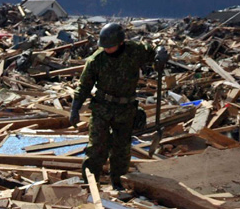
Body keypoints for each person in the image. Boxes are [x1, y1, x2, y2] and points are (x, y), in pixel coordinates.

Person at [70, 22, 167, 189]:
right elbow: (84, 85)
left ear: (120, 42)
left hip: (125, 109)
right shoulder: (96, 60)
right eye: (105, 46)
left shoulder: (135, 50)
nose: (107, 49)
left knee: (121, 150)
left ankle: (119, 184)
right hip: (102, 107)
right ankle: (90, 185)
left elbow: (154, 52)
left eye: (110, 46)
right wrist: (75, 108)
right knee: (96, 148)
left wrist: (160, 56)